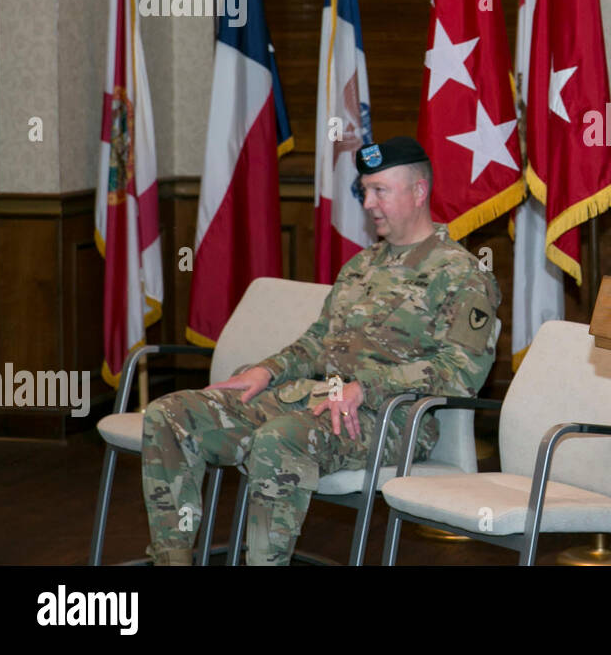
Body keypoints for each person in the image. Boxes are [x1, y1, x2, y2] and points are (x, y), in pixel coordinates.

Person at [141, 136, 501, 565]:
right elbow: (317, 341)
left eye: (379, 191)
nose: (367, 203)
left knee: (280, 440)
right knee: (171, 415)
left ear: (419, 191)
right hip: (316, 399)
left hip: (392, 420)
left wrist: (366, 387)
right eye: (365, 191)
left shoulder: (462, 275)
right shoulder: (361, 266)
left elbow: (459, 373)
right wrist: (268, 370)